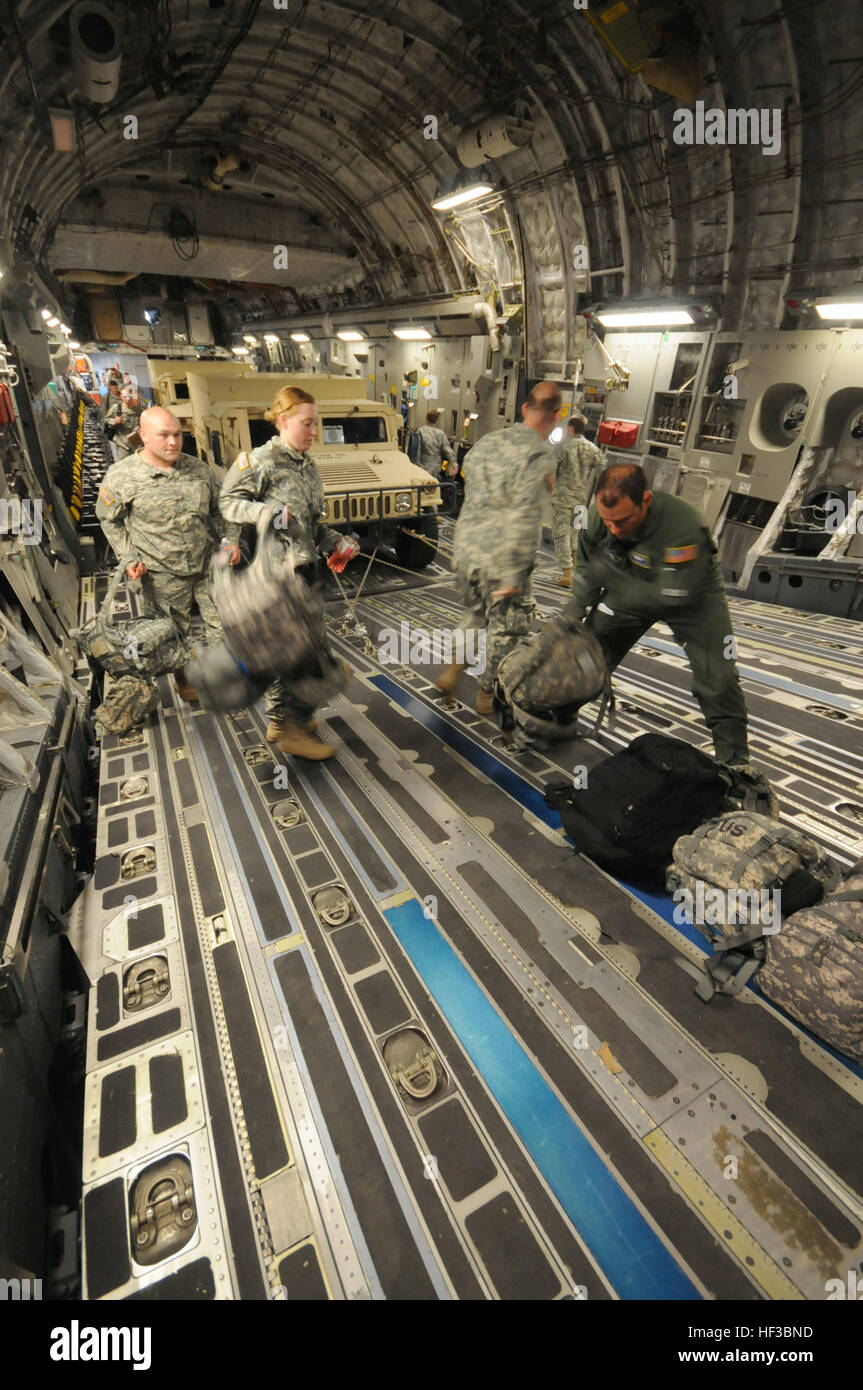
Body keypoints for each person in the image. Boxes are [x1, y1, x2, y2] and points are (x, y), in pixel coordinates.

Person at [559, 463, 750, 768]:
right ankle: (558, 717)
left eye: (623, 521)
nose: (615, 529)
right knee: (589, 653)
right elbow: (585, 563)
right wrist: (576, 608)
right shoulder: (598, 517)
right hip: (633, 577)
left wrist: (613, 580)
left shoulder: (684, 526)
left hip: (692, 594)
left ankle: (735, 762)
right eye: (609, 522)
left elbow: (671, 595)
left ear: (645, 500)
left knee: (719, 676)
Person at [219, 386, 359, 760]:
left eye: (317, 423)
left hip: (305, 570)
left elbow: (310, 527)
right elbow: (228, 503)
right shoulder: (259, 462)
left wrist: (337, 542)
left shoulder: (307, 466)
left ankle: (281, 721)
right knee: (313, 658)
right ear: (283, 421)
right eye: (308, 423)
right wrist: (262, 513)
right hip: (276, 575)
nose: (315, 431)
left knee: (289, 653)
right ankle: (294, 728)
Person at [96, 406, 241, 702]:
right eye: (164, 435)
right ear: (144, 436)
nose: (173, 442)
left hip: (205, 566)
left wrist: (230, 540)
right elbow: (108, 518)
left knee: (223, 624)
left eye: (178, 435)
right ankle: (186, 682)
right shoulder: (122, 476)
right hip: (161, 573)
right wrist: (128, 558)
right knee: (174, 634)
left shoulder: (198, 469)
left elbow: (221, 510)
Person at [439, 383, 561, 715]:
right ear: (557, 415)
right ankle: (486, 694)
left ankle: (454, 666)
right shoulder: (538, 454)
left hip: (467, 547)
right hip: (501, 554)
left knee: (475, 613)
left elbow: (468, 483)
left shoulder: (488, 442)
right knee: (507, 626)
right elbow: (524, 513)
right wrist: (513, 573)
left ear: (524, 409)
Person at [552, 413, 605, 588]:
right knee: (577, 534)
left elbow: (551, 469)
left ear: (570, 428)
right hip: (582, 499)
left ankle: (567, 573)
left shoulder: (564, 447)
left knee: (561, 534)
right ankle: (577, 569)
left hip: (563, 499)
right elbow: (602, 470)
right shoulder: (593, 448)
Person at [107, 384, 145, 458]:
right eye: (124, 397)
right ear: (121, 396)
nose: (127, 399)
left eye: (129, 397)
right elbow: (106, 420)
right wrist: (114, 421)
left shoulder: (139, 408)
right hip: (123, 444)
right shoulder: (117, 408)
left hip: (137, 443)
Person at [417, 410, 456, 478]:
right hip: (436, 468)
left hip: (423, 467)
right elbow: (448, 451)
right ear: (436, 420)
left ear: (426, 419)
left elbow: (417, 450)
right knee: (434, 486)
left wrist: (414, 465)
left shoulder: (420, 431)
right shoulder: (441, 434)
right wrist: (453, 464)